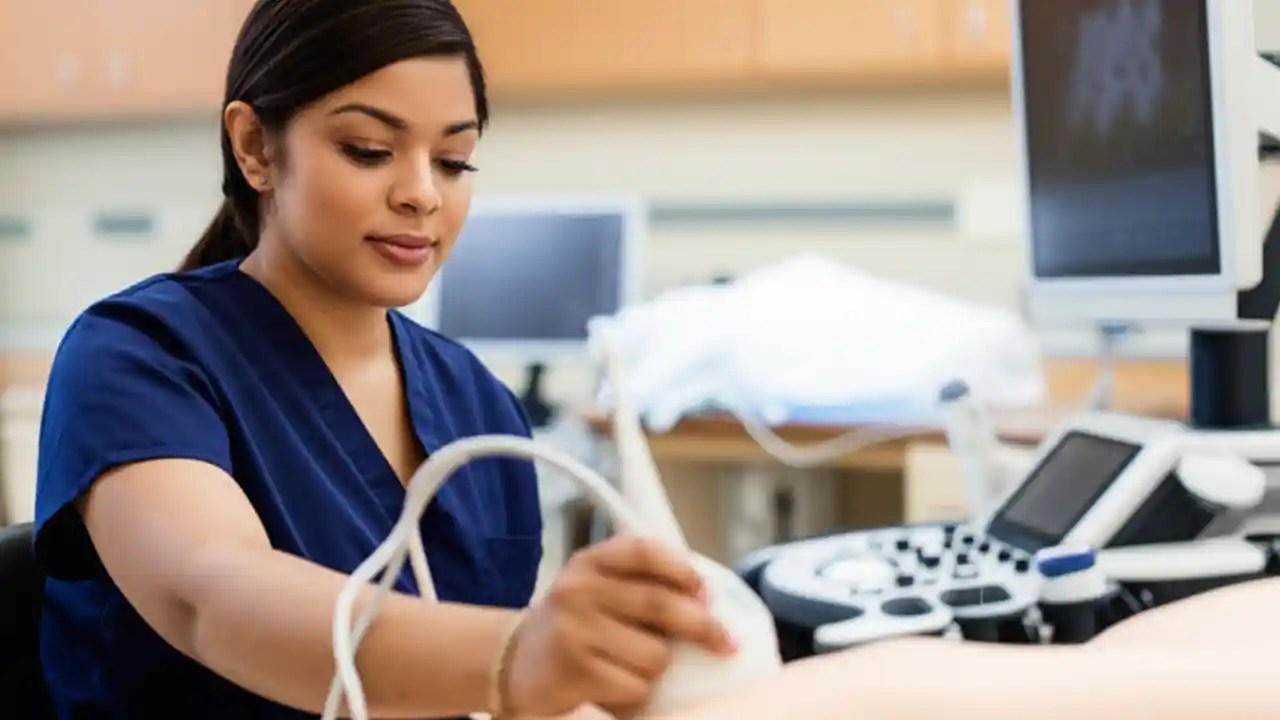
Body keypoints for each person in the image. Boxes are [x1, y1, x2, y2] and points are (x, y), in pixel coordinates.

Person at [31, 1, 735, 718]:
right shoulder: (138, 357)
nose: (422, 194)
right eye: (369, 150)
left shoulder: (479, 404)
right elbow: (210, 593)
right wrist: (514, 656)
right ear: (256, 148)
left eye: (454, 160)